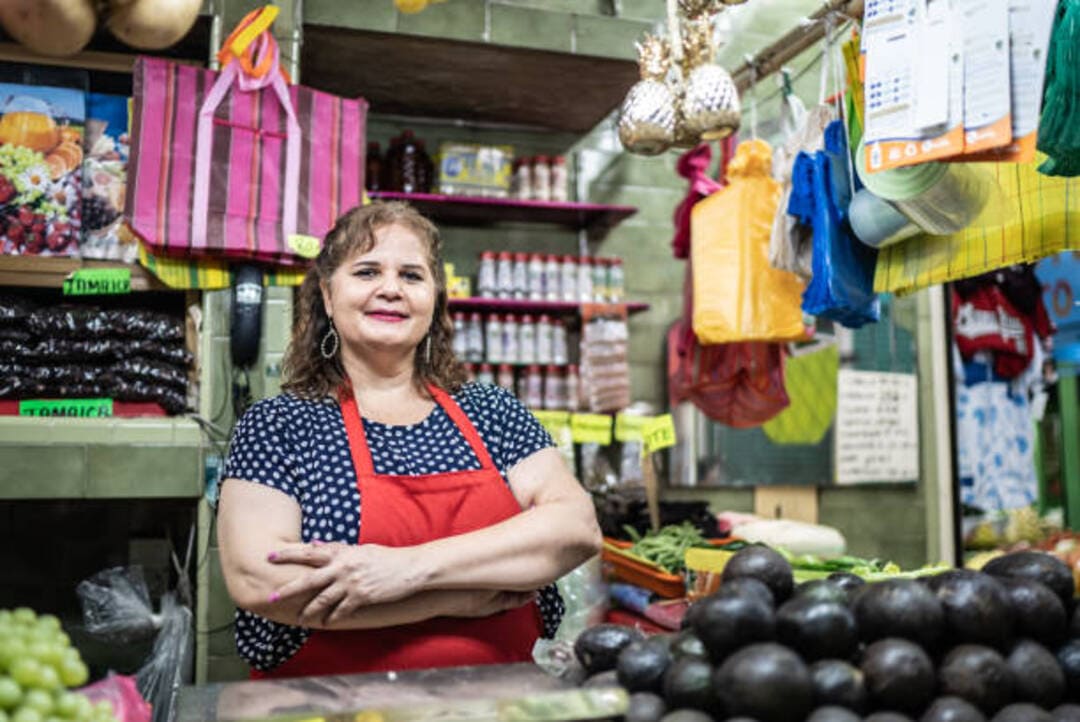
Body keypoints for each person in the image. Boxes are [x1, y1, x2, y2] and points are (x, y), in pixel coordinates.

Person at [217, 201, 602, 679]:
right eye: (367, 271)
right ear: (328, 296)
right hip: (326, 703)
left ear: (434, 299)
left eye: (412, 276)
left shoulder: (492, 411)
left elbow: (575, 528)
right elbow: (262, 581)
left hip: (501, 703)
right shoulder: (278, 424)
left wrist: (408, 569)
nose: (391, 289)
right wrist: (454, 599)